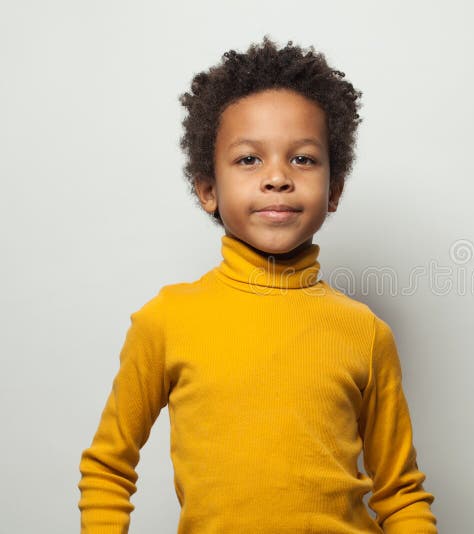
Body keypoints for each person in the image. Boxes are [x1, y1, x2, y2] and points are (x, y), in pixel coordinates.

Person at [77, 34, 437, 533]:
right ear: (208, 189)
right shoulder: (167, 320)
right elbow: (108, 470)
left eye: (303, 159)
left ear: (333, 191)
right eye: (249, 159)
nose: (277, 178)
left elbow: (400, 495)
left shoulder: (365, 333)